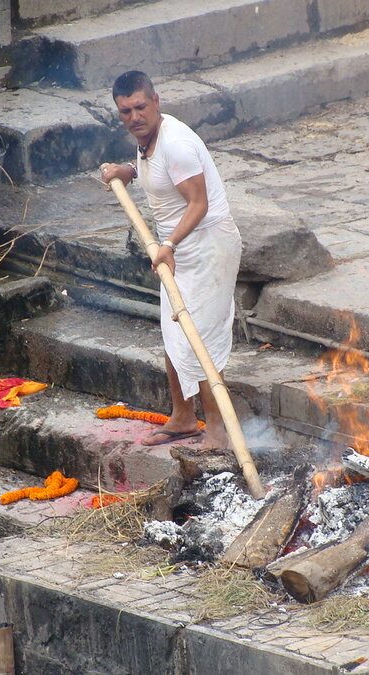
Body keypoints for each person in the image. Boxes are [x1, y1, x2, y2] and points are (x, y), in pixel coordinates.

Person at [99, 71, 242, 452]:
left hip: (207, 247)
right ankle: (182, 417)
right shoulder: (148, 140)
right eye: (126, 111)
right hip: (177, 252)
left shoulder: (176, 143)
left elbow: (199, 203)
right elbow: (154, 171)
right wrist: (126, 172)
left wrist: (169, 244)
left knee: (202, 341)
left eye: (141, 107)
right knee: (174, 333)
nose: (134, 116)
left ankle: (217, 429)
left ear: (156, 101)